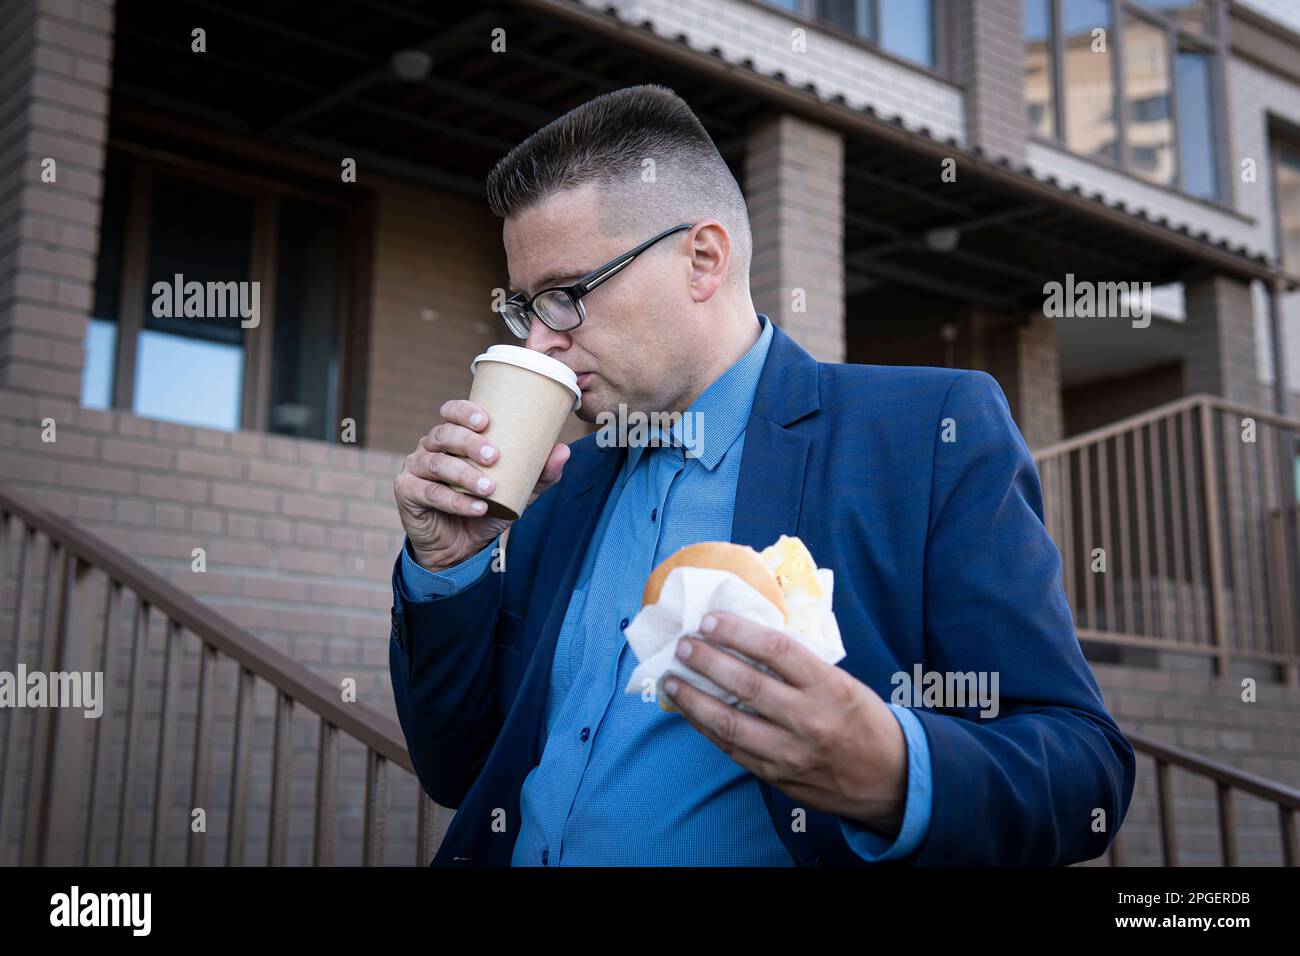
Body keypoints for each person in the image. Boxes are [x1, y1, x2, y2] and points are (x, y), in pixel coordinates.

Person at [389, 83, 1134, 866]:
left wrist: (893, 770)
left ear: (703, 259)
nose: (541, 341)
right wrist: (448, 567)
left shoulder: (929, 433)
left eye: (565, 296)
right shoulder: (556, 478)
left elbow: (1083, 771)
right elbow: (453, 768)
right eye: (525, 307)